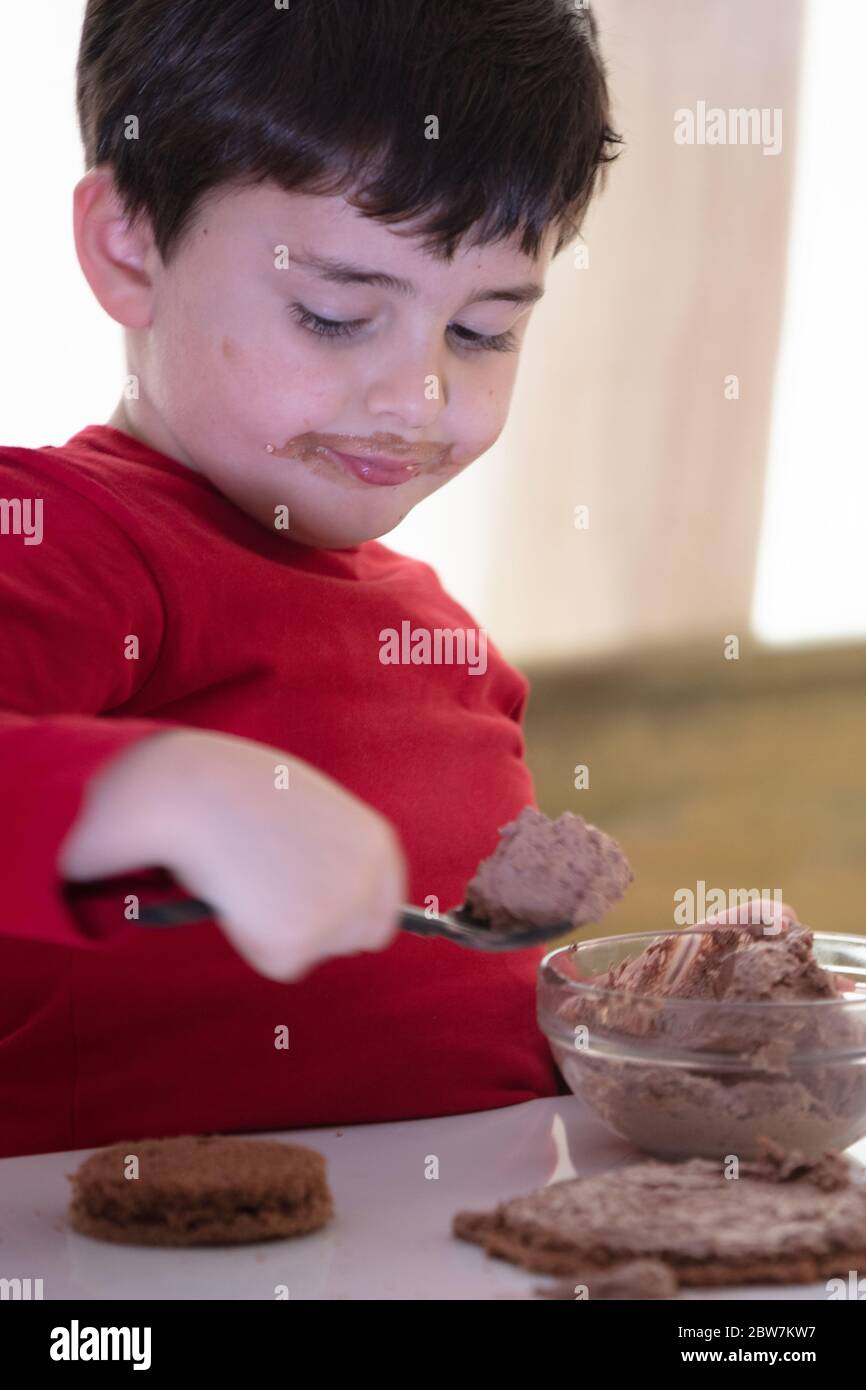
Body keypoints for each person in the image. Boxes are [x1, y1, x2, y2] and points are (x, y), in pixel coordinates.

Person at [0, 0, 622, 1157]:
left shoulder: (450, 647)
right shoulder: (55, 537)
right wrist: (144, 790)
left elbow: (432, 1032)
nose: (417, 399)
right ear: (129, 243)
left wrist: (613, 1032)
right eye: (335, 315)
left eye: (482, 333)